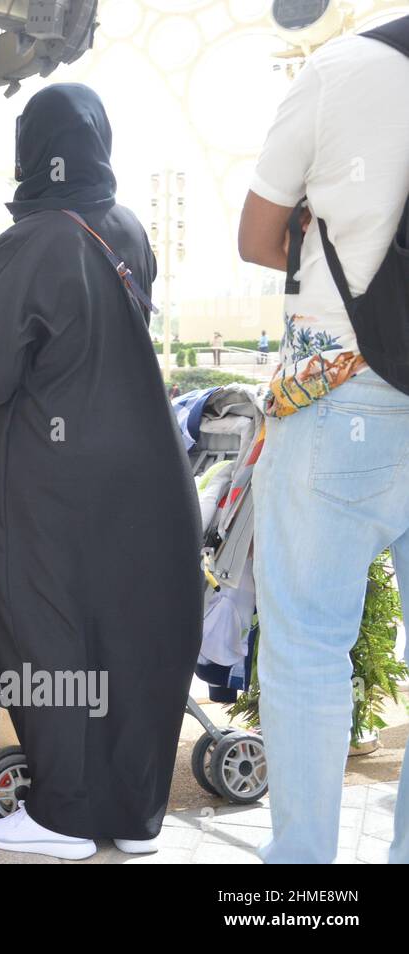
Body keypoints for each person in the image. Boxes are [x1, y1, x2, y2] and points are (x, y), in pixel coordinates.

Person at [0, 84, 202, 859]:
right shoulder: (126, 227)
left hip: (57, 481)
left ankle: (62, 815)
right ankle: (131, 815)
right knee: (129, 632)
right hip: (150, 470)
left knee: (48, 630)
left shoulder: (34, 240)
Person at [237, 12, 409, 864]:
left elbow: (256, 238)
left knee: (306, 648)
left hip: (340, 388)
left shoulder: (344, 67)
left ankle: (301, 891)